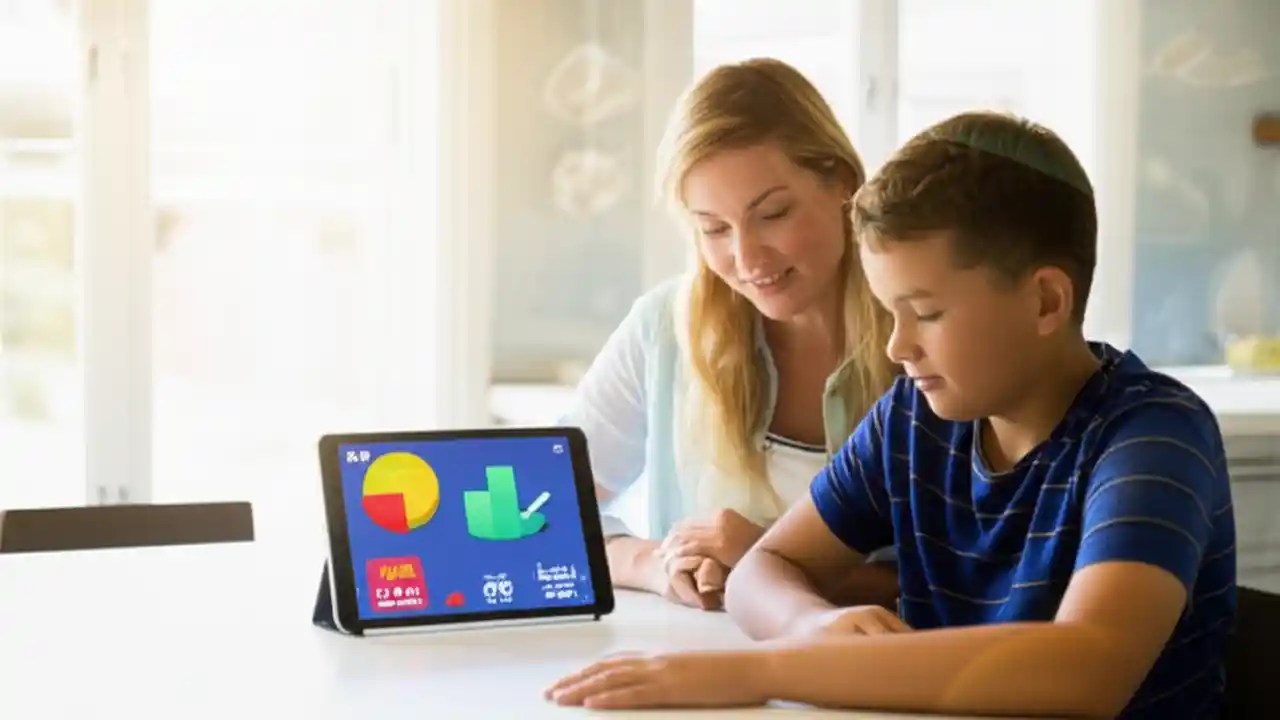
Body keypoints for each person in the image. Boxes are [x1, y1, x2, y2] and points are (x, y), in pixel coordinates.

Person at [546, 111, 1237, 718]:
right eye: (890, 311)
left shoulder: (1153, 437)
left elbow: (1087, 667)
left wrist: (757, 670)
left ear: (1046, 303)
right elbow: (767, 564)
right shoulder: (915, 417)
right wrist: (812, 627)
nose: (896, 346)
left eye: (927, 313)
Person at [565, 58, 898, 611]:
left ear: (842, 183)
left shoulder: (922, 331)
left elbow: (982, 576)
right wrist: (651, 562)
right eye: (713, 228)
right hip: (704, 668)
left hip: (880, 676)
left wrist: (769, 562)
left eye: (773, 214)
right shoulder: (663, 330)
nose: (746, 259)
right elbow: (546, 510)